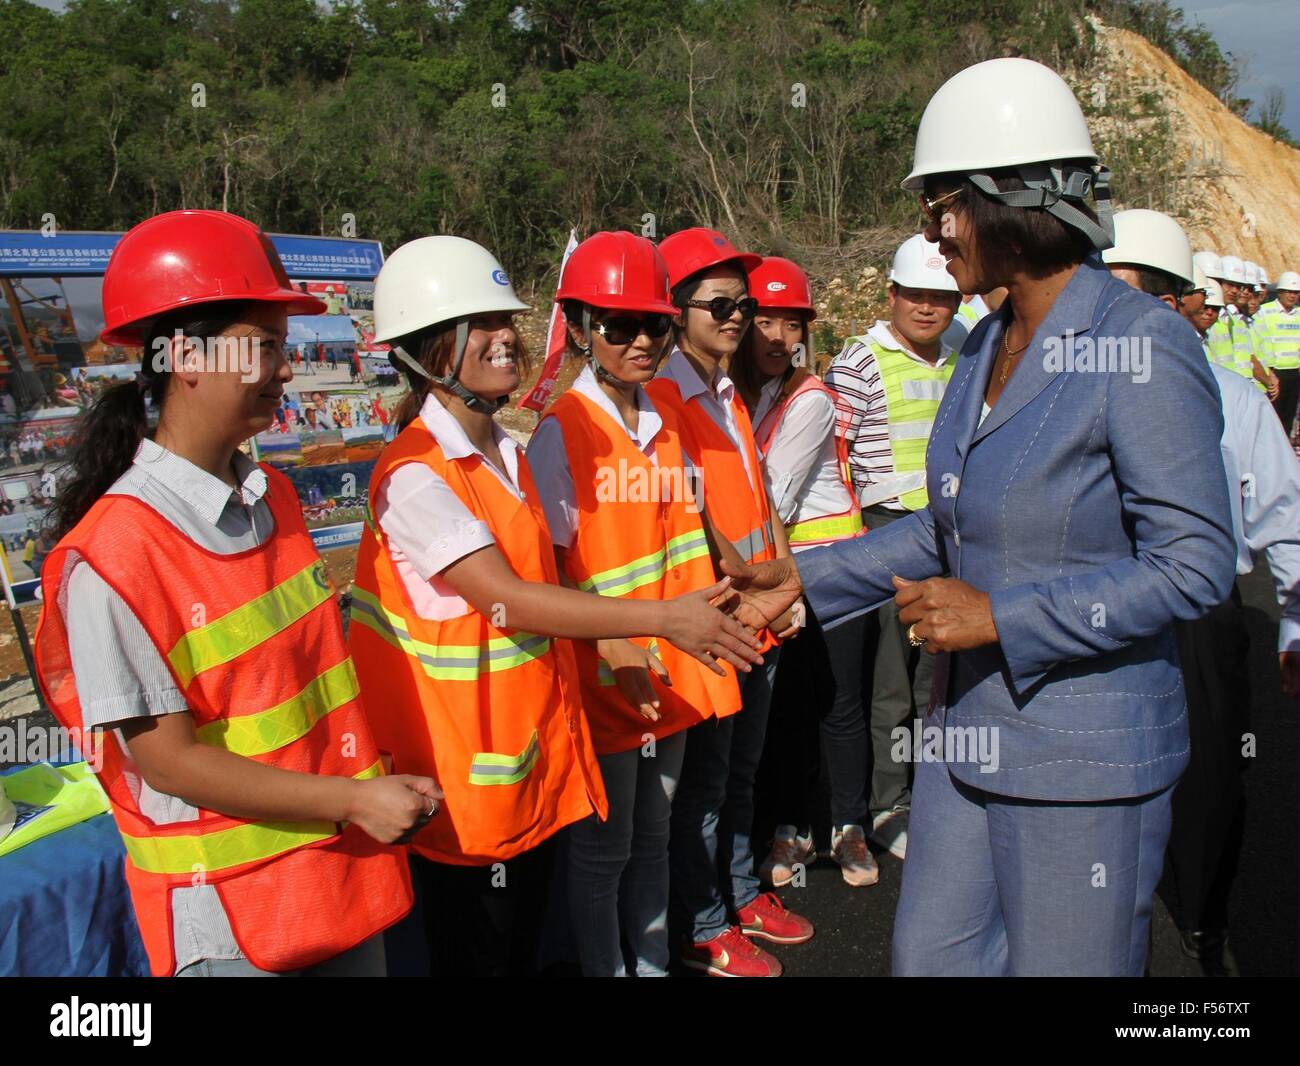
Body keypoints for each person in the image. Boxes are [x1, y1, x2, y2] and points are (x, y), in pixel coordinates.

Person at [730, 57, 1236, 976]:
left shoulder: (1140, 346)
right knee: (931, 960)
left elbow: (1194, 563)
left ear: (1011, 200)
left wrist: (999, 617)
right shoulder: (986, 346)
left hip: (1083, 760)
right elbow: (947, 526)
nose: (934, 236)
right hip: (967, 736)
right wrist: (803, 575)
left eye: (942, 209)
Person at [32, 209, 434, 978]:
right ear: (184, 354)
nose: (286, 369)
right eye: (267, 347)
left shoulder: (272, 496)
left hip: (338, 874)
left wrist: (364, 793)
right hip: (235, 920)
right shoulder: (114, 555)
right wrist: (353, 802)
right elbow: (171, 765)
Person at [347, 235, 762, 977]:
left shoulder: (501, 454)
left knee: (554, 910)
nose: (504, 337)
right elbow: (508, 598)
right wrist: (660, 622)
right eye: (478, 325)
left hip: (531, 746)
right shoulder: (415, 475)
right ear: (422, 349)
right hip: (466, 774)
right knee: (490, 943)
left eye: (505, 319)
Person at [524, 230, 747, 977]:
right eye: (620, 327)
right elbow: (548, 569)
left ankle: (651, 965)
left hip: (672, 667)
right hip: (607, 676)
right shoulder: (563, 434)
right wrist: (614, 646)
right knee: (604, 852)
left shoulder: (661, 420)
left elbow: (684, 537)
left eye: (654, 323)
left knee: (654, 836)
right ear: (583, 330)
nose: (642, 341)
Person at [1104, 208, 1300, 975]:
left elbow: (1284, 517)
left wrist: (1293, 625)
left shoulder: (1233, 399)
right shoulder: (1061, 395)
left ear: (1167, 305)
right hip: (1101, 608)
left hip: (1199, 615)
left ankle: (1204, 921)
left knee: (1212, 775)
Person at [649, 227, 814, 978]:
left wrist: (782, 577)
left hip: (760, 613)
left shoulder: (724, 390)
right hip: (720, 615)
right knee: (706, 788)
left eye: (742, 303)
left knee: (741, 774)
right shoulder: (664, 393)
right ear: (677, 309)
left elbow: (759, 494)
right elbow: (693, 515)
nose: (738, 317)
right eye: (719, 304)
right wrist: (752, 583)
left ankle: (742, 896)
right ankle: (705, 925)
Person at [728, 255, 877, 889]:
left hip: (831, 568)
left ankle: (849, 827)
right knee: (787, 704)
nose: (779, 337)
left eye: (792, 324)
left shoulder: (810, 398)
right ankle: (792, 826)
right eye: (765, 320)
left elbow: (774, 496)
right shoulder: (739, 395)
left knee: (840, 704)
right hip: (778, 570)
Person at [823, 234, 960, 862]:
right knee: (890, 679)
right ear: (892, 296)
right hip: (886, 527)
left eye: (941, 298)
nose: (928, 309)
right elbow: (835, 455)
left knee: (939, 670)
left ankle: (934, 787)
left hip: (951, 531)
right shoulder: (857, 361)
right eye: (916, 296)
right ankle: (888, 801)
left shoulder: (965, 351)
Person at [1257, 270, 1300, 433]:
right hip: (1274, 374)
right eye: (1289, 291)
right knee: (1272, 418)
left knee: (1288, 418)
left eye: (1296, 292)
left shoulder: (1299, 314)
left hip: (1294, 373)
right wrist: (1268, 373)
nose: (1292, 296)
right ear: (1280, 292)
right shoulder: (1265, 312)